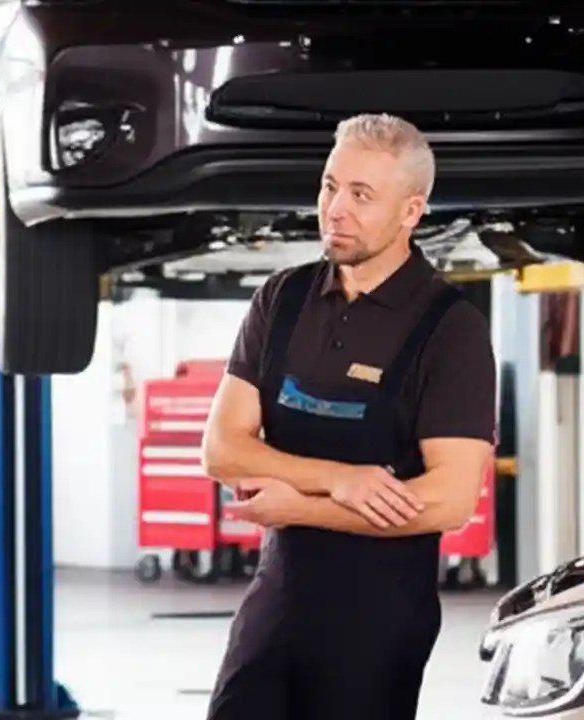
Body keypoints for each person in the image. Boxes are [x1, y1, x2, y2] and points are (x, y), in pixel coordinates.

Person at [200, 114, 496, 720]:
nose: (335, 209)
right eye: (330, 186)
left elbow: (447, 499)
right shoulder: (282, 299)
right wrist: (341, 477)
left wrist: (300, 506)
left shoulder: (450, 329)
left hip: (378, 624)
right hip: (276, 604)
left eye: (362, 195)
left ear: (411, 211)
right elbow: (223, 448)